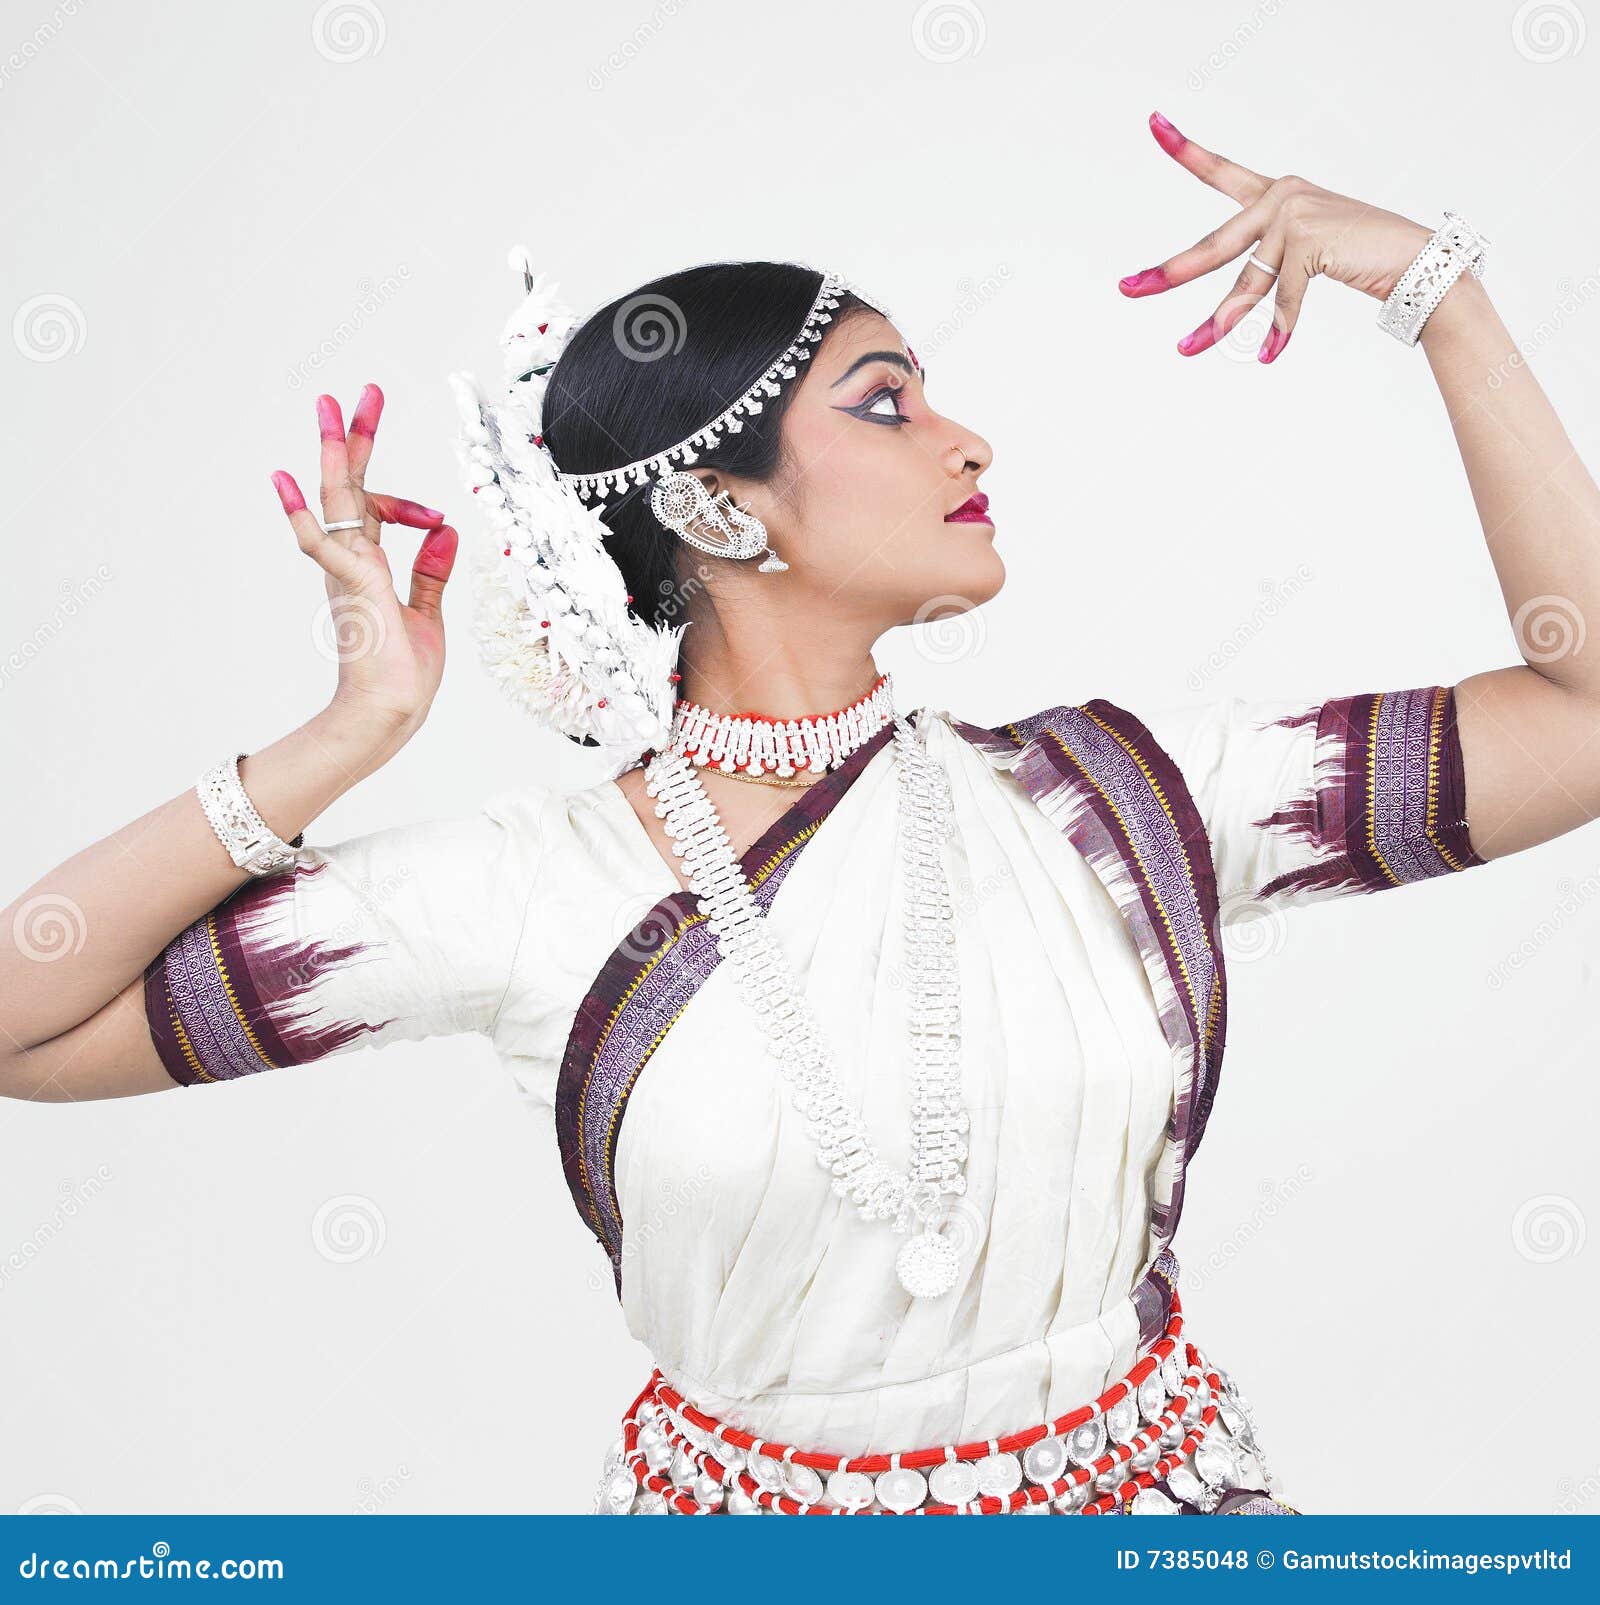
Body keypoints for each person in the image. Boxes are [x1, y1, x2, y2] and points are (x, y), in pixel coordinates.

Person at [4, 113, 1597, 1516]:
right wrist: (340, 739)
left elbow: (1583, 716)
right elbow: (20, 1022)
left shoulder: (1120, 799)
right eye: (888, 402)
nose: (971, 439)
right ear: (718, 504)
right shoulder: (524, 893)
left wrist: (1438, 295)